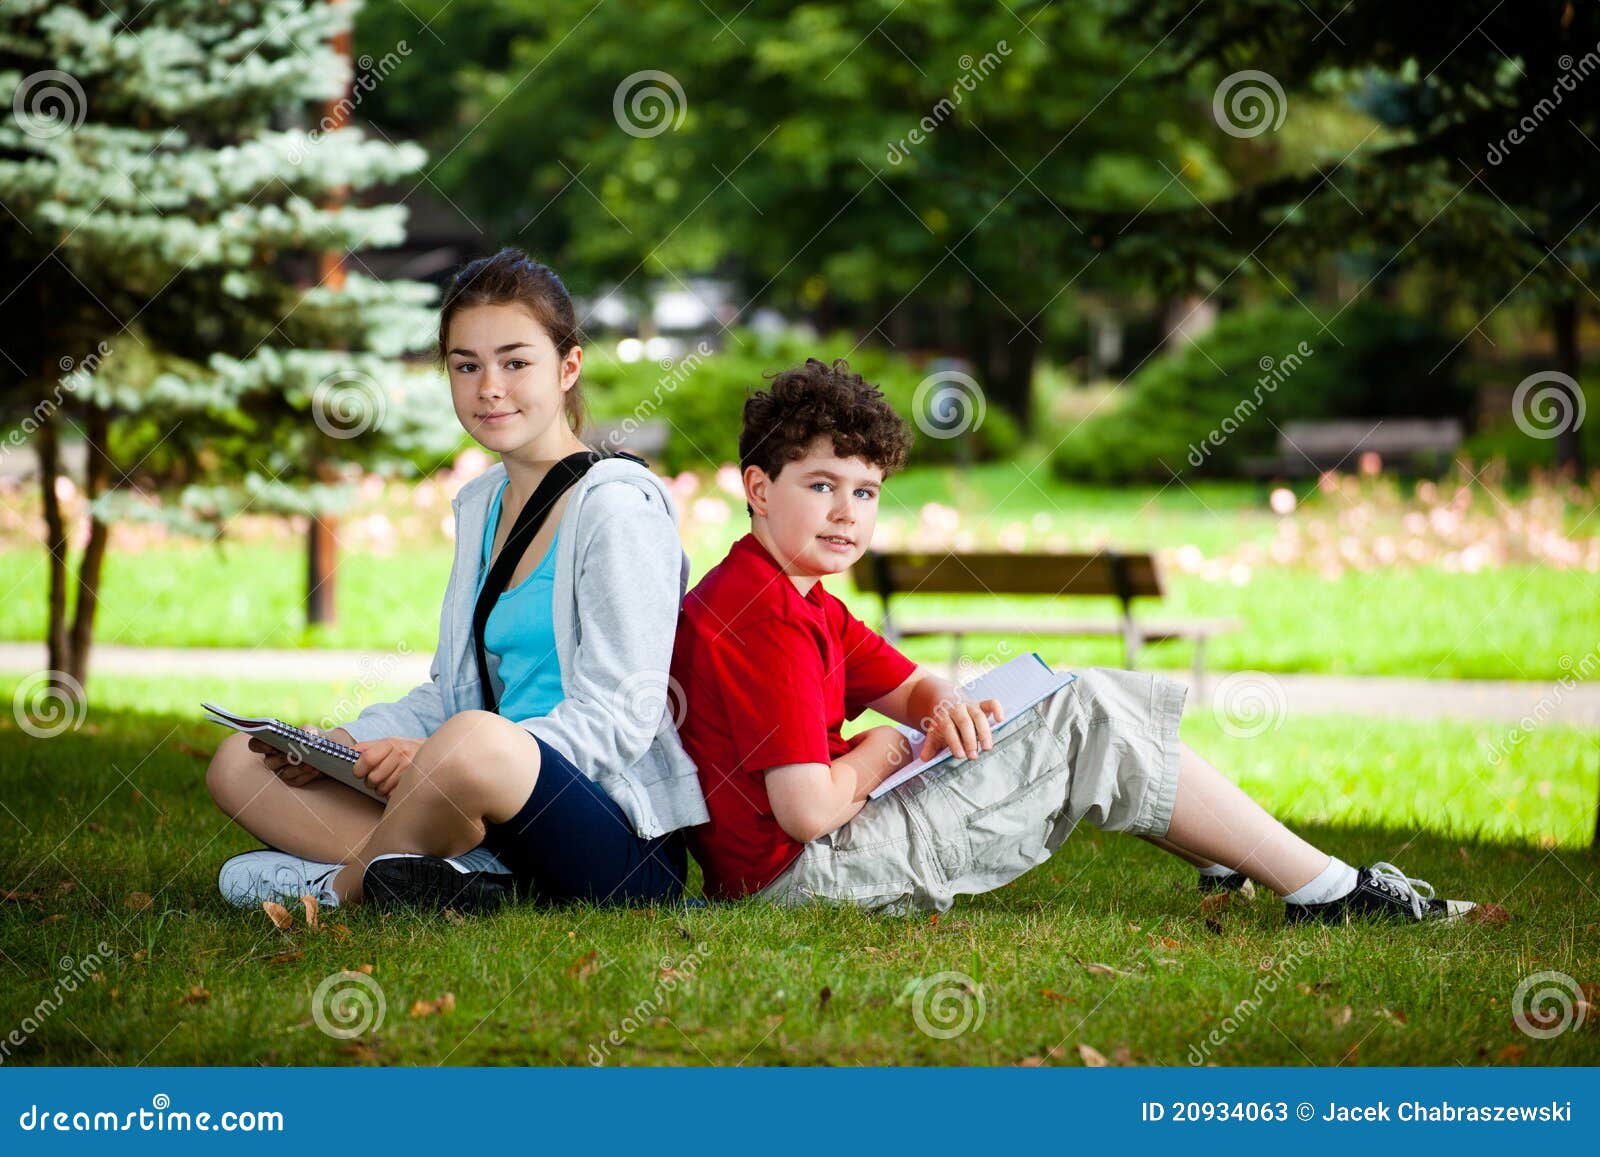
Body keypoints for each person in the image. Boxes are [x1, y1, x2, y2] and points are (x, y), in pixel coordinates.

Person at [669, 357, 1477, 923]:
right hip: (806, 877)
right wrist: (883, 751)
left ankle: (1238, 857)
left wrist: (942, 707)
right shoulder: (763, 613)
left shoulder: (787, 591)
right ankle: (1331, 893)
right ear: (759, 488)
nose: (848, 512)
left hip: (806, 860)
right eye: (822, 486)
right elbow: (806, 809)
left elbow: (911, 685)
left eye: (867, 491)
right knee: (1086, 709)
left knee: (1068, 701)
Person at [204, 248, 707, 914]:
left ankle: (335, 889)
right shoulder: (485, 504)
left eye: (515, 361)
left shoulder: (616, 509)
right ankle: (457, 880)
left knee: (472, 741)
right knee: (241, 760)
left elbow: (624, 713)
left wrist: (445, 756)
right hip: (481, 808)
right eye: (466, 366)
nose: (489, 386)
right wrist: (343, 743)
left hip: (611, 835)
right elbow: (453, 690)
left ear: (569, 366)